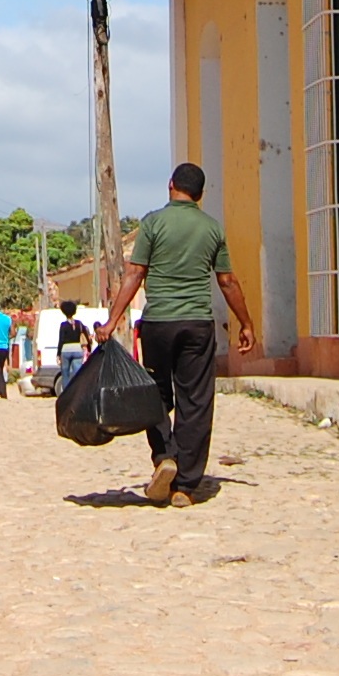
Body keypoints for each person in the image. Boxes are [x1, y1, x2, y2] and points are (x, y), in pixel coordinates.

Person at [99, 162, 257, 507]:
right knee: (196, 401)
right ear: (200, 195)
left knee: (155, 394)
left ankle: (164, 456)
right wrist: (246, 323)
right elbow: (227, 281)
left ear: (171, 185)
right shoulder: (212, 229)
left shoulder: (153, 223)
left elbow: (135, 273)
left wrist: (112, 321)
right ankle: (184, 485)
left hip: (158, 325)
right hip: (197, 325)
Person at [54, 299, 89, 393]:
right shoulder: (79, 324)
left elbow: (61, 340)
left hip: (66, 350)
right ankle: (77, 392)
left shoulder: (63, 325)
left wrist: (58, 354)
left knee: (65, 374)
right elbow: (86, 337)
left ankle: (66, 394)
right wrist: (88, 349)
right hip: (78, 349)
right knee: (77, 373)